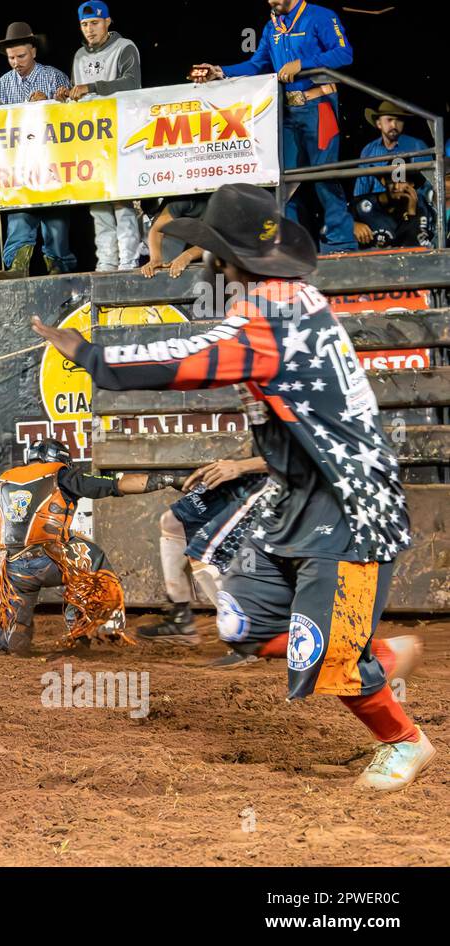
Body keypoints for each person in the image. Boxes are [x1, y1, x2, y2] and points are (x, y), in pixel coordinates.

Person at [34, 182, 434, 791]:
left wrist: (90, 355)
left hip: (351, 504)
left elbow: (188, 359)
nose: (204, 265)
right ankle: (370, 654)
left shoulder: (269, 317)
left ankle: (405, 741)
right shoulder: (287, 300)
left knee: (325, 656)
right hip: (303, 494)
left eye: (210, 254)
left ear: (229, 260)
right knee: (243, 624)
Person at [0, 438, 186, 656]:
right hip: (53, 560)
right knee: (92, 556)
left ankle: (9, 638)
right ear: (59, 459)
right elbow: (116, 484)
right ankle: (94, 628)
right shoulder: (61, 474)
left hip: (14, 567)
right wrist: (168, 479)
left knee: (14, 639)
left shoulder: (4, 480)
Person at [190, 0, 358, 253]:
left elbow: (344, 53)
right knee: (283, 182)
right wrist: (220, 71)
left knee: (325, 176)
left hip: (318, 105)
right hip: (287, 112)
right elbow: (258, 64)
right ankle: (289, 245)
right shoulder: (272, 26)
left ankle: (341, 243)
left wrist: (304, 63)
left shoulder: (320, 16)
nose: (271, 1)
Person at [0, 22, 77, 278]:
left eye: (20, 56)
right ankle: (17, 267)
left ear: (33, 51)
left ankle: (59, 270)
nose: (15, 62)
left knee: (55, 221)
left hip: (52, 163)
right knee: (19, 219)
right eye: (11, 57)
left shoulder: (54, 76)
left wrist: (51, 102)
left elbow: (72, 116)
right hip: (18, 167)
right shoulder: (2, 85)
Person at [136, 456, 268, 644]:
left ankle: (243, 634)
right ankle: (181, 619)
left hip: (273, 482)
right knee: (173, 522)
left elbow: (300, 453)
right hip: (247, 473)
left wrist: (240, 466)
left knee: (204, 548)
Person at [56, 2, 143, 272]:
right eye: (84, 25)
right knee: (98, 201)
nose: (89, 29)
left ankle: (129, 260)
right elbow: (78, 91)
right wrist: (67, 94)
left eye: (94, 23)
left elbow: (132, 83)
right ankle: (106, 261)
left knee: (122, 200)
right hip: (91, 137)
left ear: (107, 22)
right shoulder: (79, 55)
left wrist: (92, 86)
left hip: (122, 132)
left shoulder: (125, 47)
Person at [353, 101, 429, 200]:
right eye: (389, 120)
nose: (394, 125)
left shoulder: (417, 146)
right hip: (379, 209)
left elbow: (429, 185)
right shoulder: (368, 151)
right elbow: (361, 189)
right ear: (379, 123)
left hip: (411, 206)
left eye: (399, 120)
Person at [351, 174, 435, 250]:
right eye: (392, 181)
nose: (396, 187)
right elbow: (339, 224)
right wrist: (351, 225)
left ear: (412, 184)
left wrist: (411, 214)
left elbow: (417, 248)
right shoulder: (360, 204)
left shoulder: (421, 206)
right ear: (384, 181)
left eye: (401, 181)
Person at [140, 195, 210, 277]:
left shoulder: (222, 210)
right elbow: (157, 230)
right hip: (186, 228)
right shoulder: (182, 201)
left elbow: (216, 241)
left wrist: (187, 256)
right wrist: (155, 259)